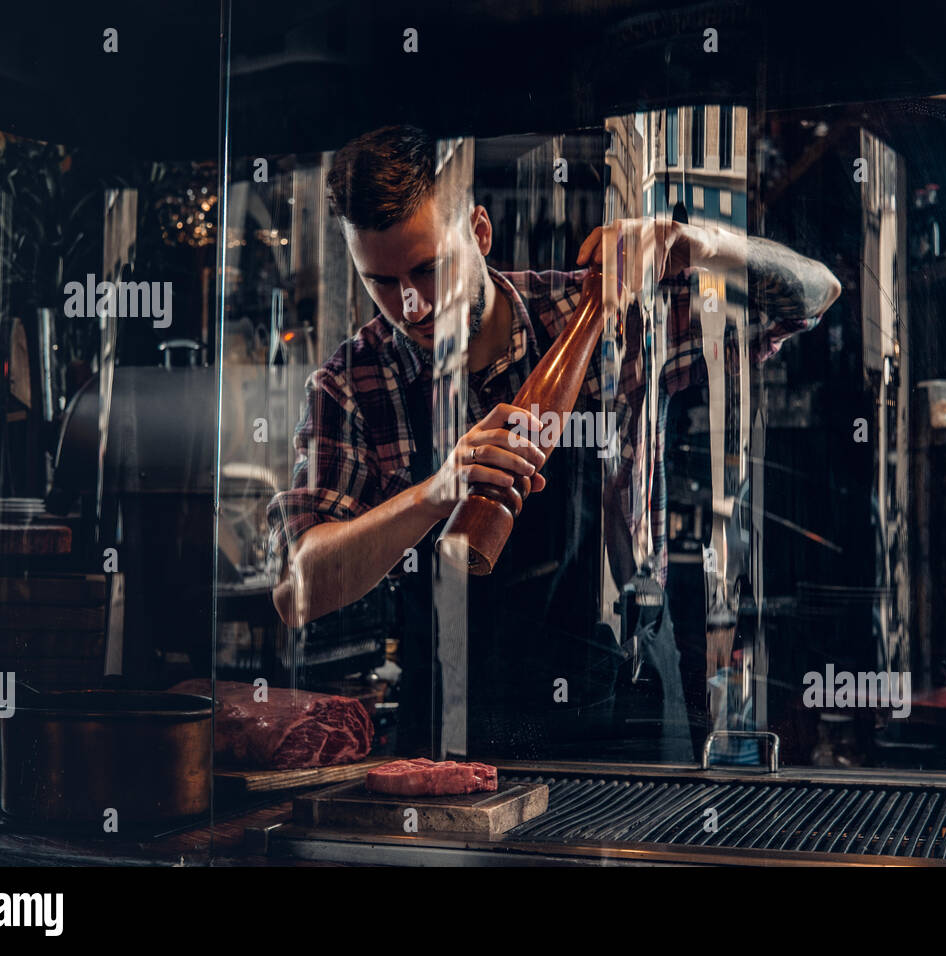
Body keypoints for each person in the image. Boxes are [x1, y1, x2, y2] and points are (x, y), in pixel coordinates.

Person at [267, 124, 840, 761]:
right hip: (457, 723)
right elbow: (299, 593)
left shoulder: (602, 316)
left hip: (621, 706)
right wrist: (435, 494)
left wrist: (697, 242)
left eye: (429, 270)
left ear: (479, 234)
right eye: (380, 282)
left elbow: (813, 298)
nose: (412, 306)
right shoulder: (352, 384)